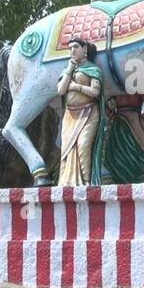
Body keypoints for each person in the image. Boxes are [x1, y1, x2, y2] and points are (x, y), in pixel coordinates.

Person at [56, 38, 105, 186]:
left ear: (85, 50)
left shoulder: (93, 69)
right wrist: (69, 69)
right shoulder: (68, 71)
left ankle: (87, 183)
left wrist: (76, 87)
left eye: (76, 47)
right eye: (70, 48)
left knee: (83, 145)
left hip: (89, 113)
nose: (72, 50)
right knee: (67, 150)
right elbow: (60, 90)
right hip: (70, 116)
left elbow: (95, 92)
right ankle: (66, 183)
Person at [104, 92, 144, 184]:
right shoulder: (115, 86)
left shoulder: (137, 86)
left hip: (133, 125)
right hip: (122, 127)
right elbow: (101, 102)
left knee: (137, 158)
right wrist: (112, 115)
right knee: (116, 159)